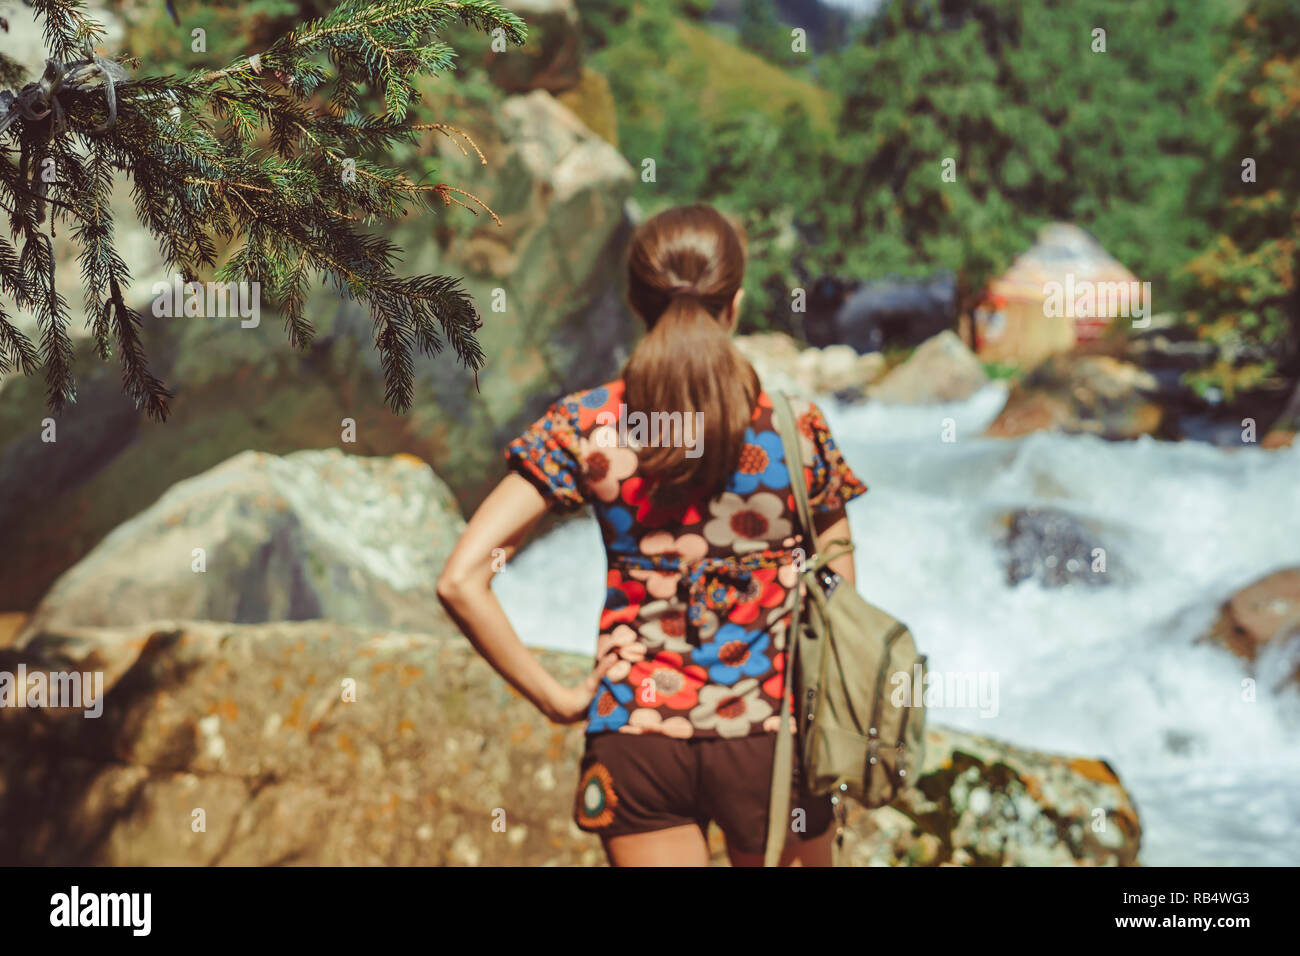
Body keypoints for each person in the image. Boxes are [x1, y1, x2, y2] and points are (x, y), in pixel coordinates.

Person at [437, 204, 867, 866]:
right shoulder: (795, 429)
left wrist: (555, 698)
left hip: (637, 738)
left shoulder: (585, 427)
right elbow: (840, 601)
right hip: (773, 741)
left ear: (636, 301)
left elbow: (462, 580)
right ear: (737, 301)